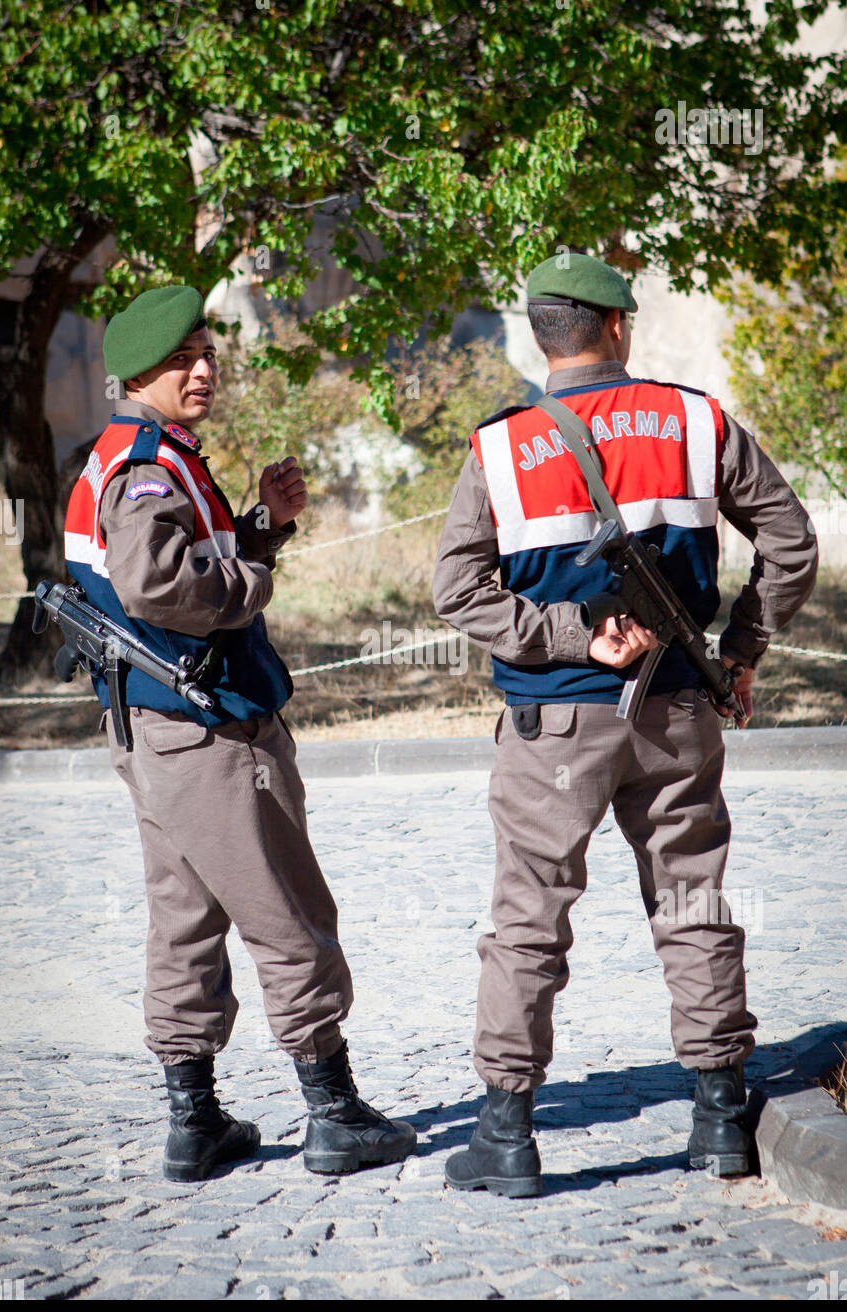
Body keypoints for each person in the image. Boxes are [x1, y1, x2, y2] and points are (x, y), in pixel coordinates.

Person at [433, 252, 818, 1197]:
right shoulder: (696, 419)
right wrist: (744, 645)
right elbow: (791, 542)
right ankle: (722, 1114)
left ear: (542, 335)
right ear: (616, 327)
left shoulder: (499, 447)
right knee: (693, 900)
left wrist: (565, 633)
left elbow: (457, 591)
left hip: (555, 722)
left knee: (528, 916)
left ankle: (507, 1136)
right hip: (681, 704)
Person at [63, 284, 415, 1182]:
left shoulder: (128, 455)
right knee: (287, 910)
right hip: (212, 730)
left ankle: (195, 1124)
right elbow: (156, 585)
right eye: (185, 360)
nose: (205, 370)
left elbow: (163, 573)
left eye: (209, 354)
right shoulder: (147, 465)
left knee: (183, 921)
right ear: (141, 371)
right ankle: (332, 1114)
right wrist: (250, 581)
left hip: (154, 731)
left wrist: (259, 526)